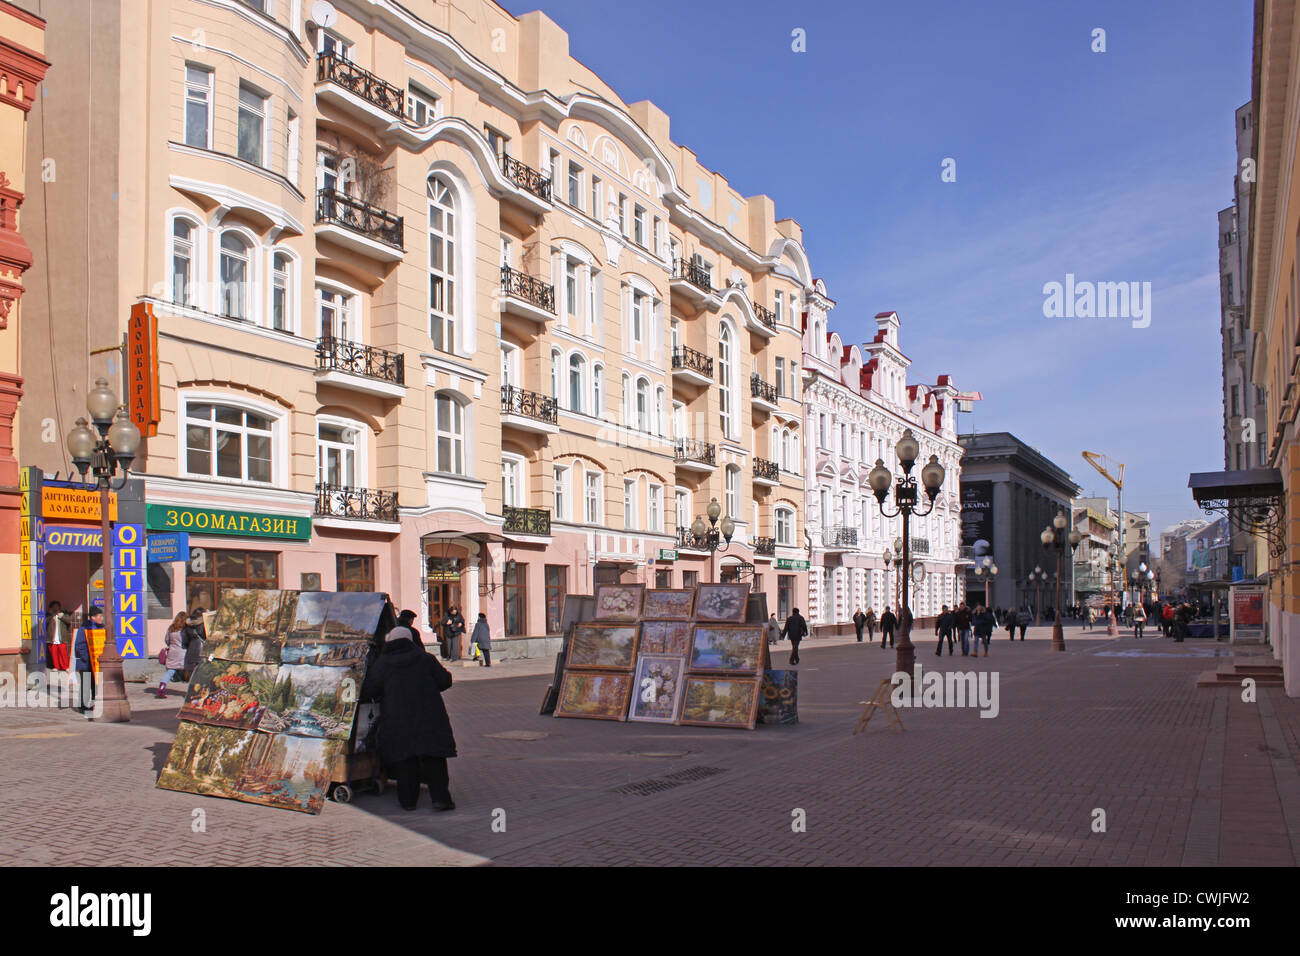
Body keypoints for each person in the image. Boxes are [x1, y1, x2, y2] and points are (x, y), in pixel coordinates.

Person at [360, 625, 457, 812]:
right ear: (410, 640)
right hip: (429, 716)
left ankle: (408, 801)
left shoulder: (383, 663)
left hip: (398, 718)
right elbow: (445, 681)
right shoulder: (425, 659)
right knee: (434, 758)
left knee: (404, 760)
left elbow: (370, 689)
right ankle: (441, 800)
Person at [73, 607, 105, 714]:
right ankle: (83, 706)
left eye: (102, 616)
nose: (102, 618)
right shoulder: (84, 629)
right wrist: (88, 658)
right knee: (86, 685)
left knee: (96, 685)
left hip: (98, 662)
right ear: (93, 617)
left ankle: (94, 704)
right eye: (99, 616)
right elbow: (79, 646)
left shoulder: (102, 628)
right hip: (86, 663)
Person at [156, 613, 189, 699]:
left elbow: (167, 640)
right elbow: (188, 642)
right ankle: (192, 691)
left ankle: (161, 689)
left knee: (170, 672)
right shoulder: (186, 629)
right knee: (190, 672)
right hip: (183, 654)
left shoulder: (171, 628)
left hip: (172, 653)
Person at [182, 608, 207, 678]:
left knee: (192, 673)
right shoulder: (204, 623)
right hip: (202, 650)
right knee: (202, 673)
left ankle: (193, 687)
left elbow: (184, 639)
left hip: (191, 650)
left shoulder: (188, 624)